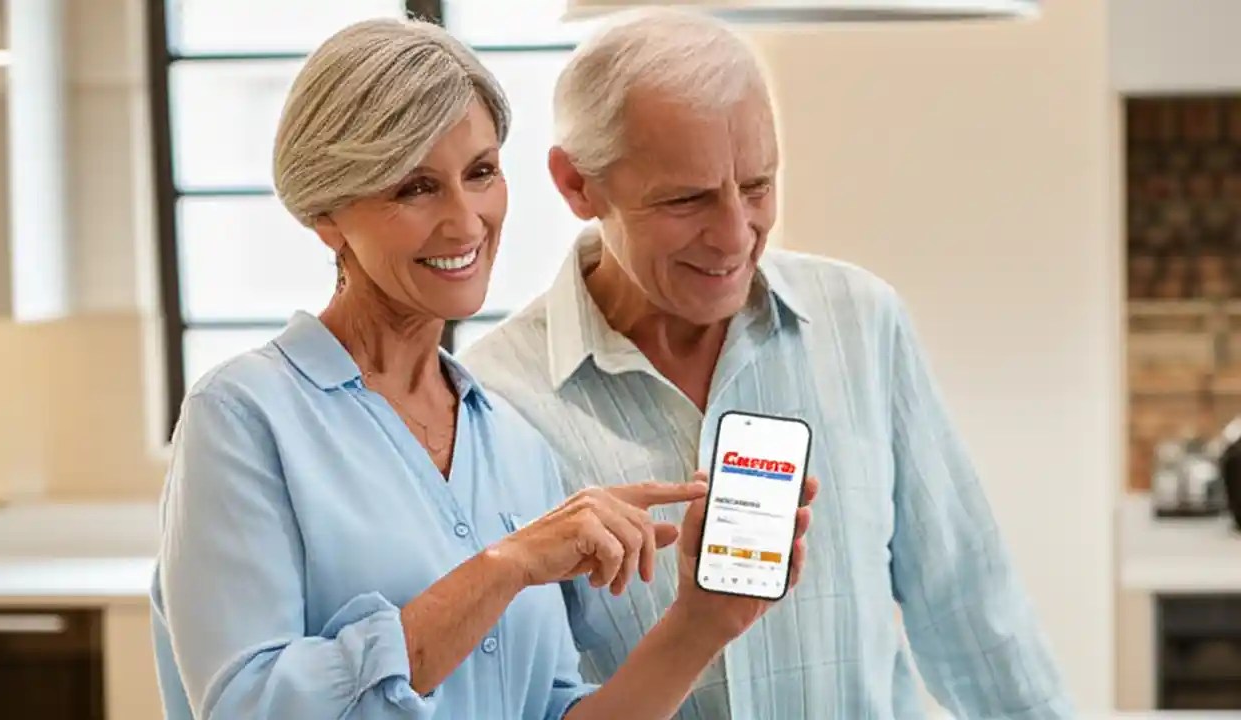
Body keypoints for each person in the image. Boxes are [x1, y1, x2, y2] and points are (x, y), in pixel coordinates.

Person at [148, 18, 817, 720]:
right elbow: (250, 706)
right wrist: (507, 567)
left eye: (481, 173)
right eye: (416, 187)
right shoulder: (244, 417)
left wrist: (701, 623)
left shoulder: (512, 443)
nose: (466, 222)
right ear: (327, 214)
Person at [460, 8, 1074, 720]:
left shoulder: (860, 322)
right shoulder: (498, 399)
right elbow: (510, 694)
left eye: (757, 187)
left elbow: (975, 614)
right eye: (686, 199)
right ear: (577, 185)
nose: (733, 236)